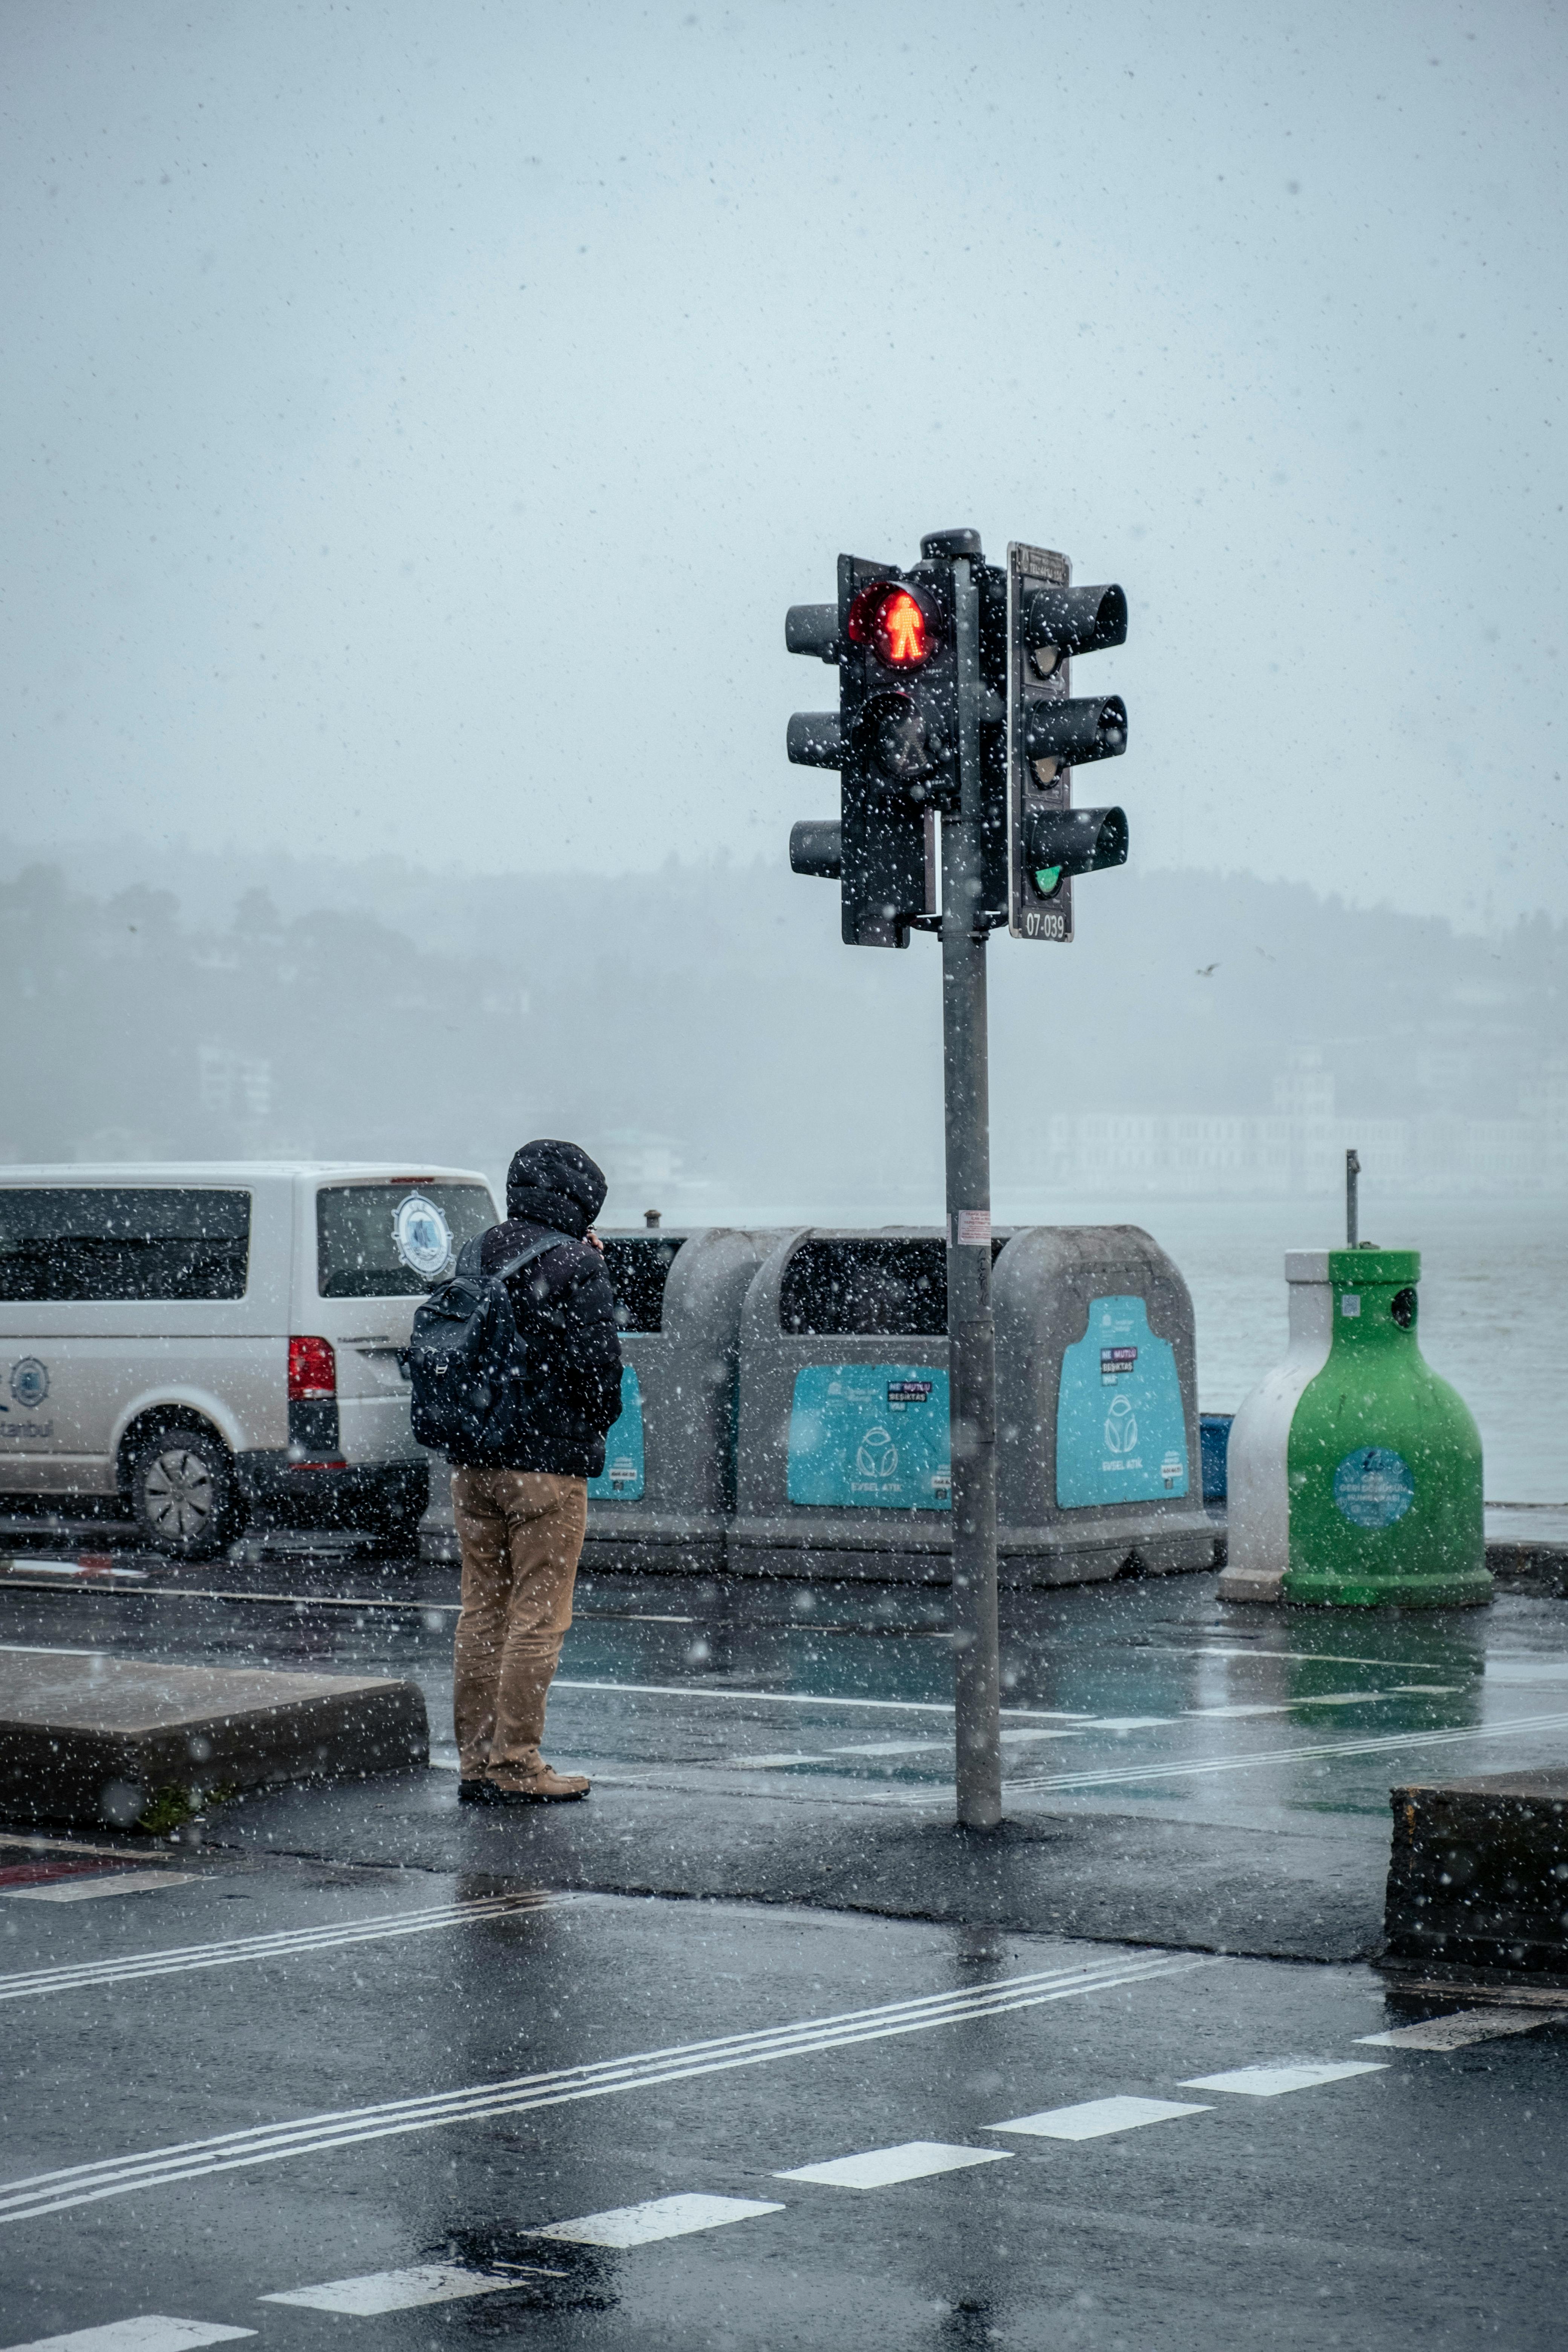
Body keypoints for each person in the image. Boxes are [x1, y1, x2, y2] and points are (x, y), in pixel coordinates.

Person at [450, 1138, 623, 1805]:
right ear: (580, 1199)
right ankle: (517, 1763)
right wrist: (593, 1424)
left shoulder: (476, 1253)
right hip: (544, 1468)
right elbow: (596, 1368)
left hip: (475, 1459)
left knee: (482, 1610)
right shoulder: (575, 1263)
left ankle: (475, 1762)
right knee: (539, 1614)